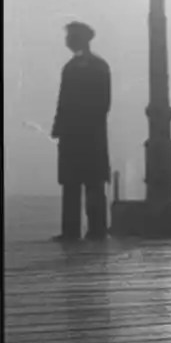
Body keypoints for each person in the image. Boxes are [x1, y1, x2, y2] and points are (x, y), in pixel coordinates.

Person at [51, 20, 112, 241]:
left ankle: (96, 230)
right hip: (73, 133)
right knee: (71, 182)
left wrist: (80, 123)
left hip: (89, 134)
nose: (67, 41)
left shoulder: (98, 66)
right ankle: (71, 231)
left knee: (93, 182)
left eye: (70, 36)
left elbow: (104, 102)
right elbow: (63, 100)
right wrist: (59, 126)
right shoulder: (70, 67)